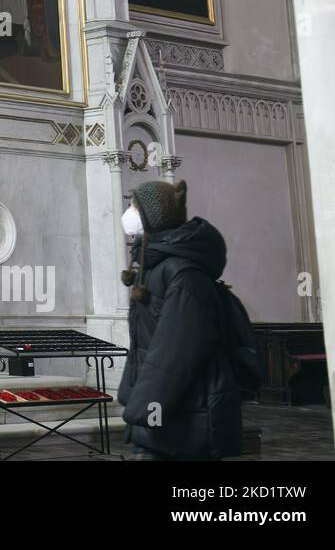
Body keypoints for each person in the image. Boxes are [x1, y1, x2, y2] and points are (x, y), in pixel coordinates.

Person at [117, 180, 243, 461]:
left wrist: (149, 413)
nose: (128, 212)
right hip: (168, 411)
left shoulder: (182, 273)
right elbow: (145, 344)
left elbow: (174, 354)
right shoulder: (155, 267)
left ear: (152, 216)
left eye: (134, 206)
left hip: (184, 415)